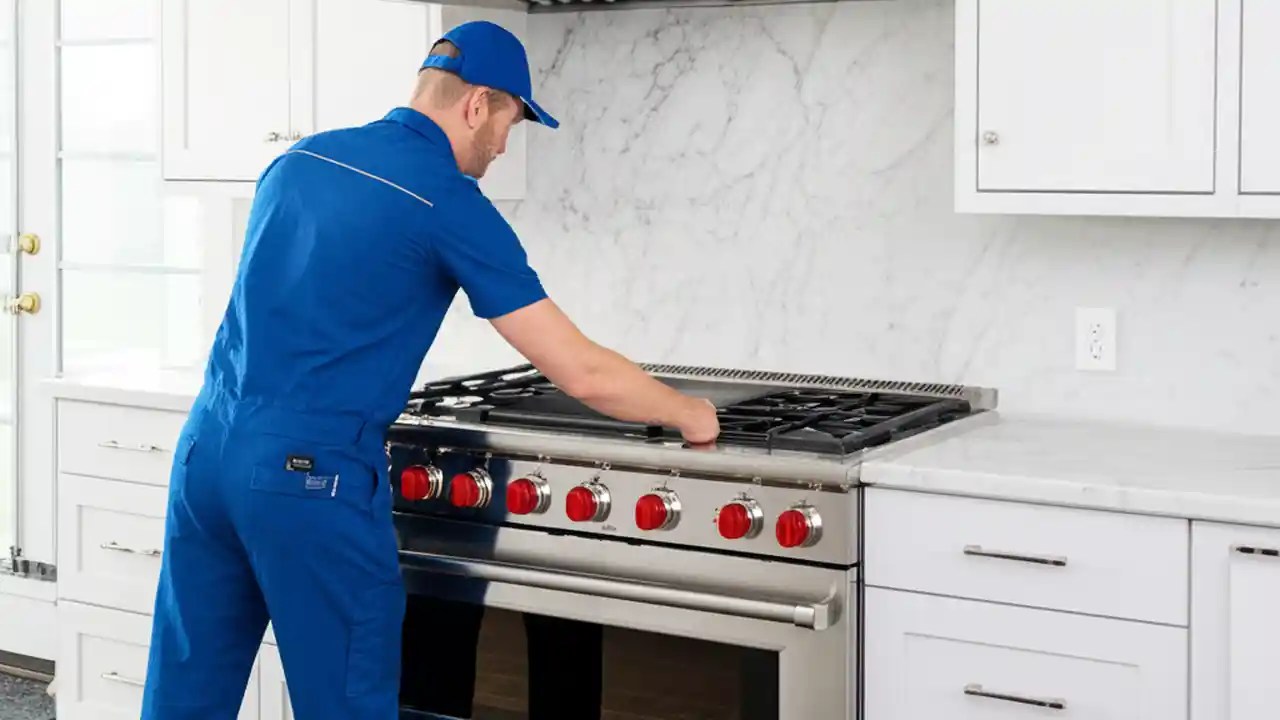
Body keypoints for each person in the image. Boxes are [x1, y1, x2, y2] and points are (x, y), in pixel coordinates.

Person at [139, 19, 720, 720]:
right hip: (309, 478)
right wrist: (688, 411)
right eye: (508, 122)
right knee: (347, 703)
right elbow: (582, 371)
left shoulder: (299, 160)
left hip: (206, 456)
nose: (504, 146)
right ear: (476, 104)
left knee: (183, 699)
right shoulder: (446, 201)